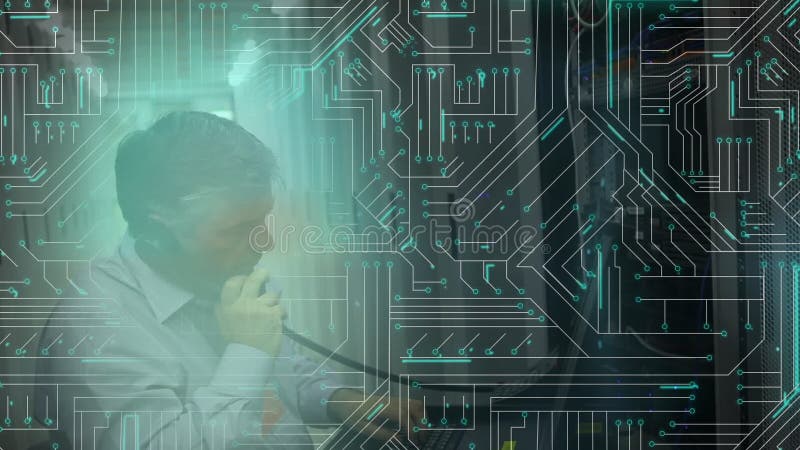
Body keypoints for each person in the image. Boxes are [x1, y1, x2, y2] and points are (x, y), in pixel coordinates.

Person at [34, 111, 425, 449]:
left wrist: (338, 400)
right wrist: (247, 351)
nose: (264, 242)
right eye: (238, 229)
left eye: (262, 219)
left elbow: (286, 373)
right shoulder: (94, 325)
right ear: (158, 233)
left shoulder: (223, 273)